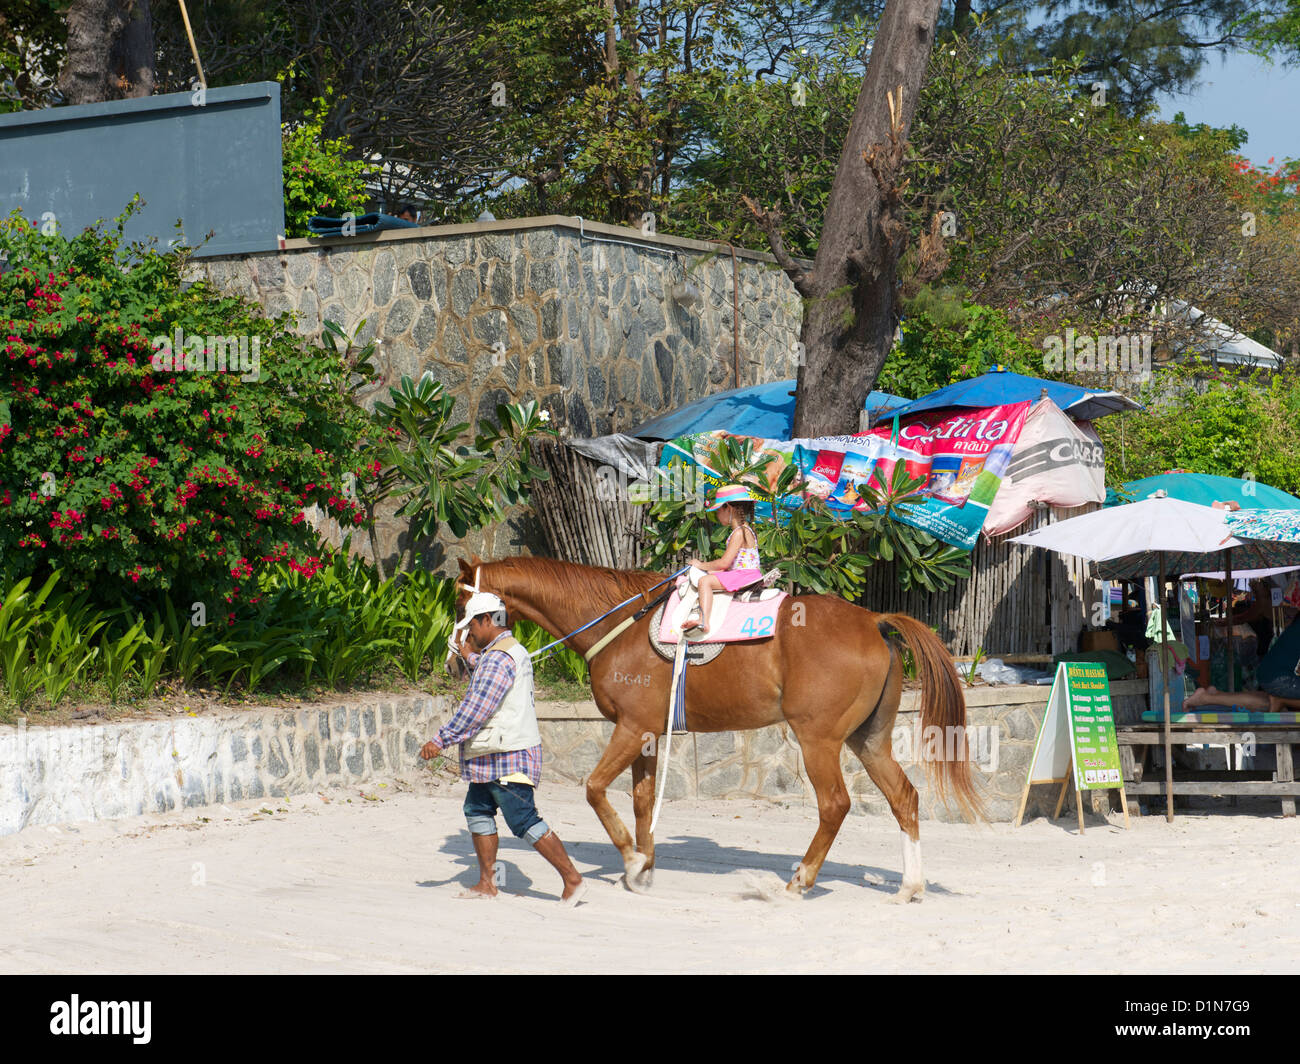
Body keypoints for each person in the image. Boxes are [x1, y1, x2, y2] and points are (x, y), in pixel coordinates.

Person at [420, 590, 585, 904]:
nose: (469, 633)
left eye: (472, 627)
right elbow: (483, 667)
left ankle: (573, 879)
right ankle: (487, 883)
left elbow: (476, 708)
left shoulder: (498, 658)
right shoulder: (507, 650)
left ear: (486, 620)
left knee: (523, 819)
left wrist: (439, 740)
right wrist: (469, 656)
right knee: (477, 810)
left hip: (507, 756)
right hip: (491, 757)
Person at [680, 483, 762, 634]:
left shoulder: (739, 533)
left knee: (704, 581)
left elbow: (724, 563)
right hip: (746, 573)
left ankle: (703, 620)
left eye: (718, 510)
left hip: (743, 575)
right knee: (711, 576)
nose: (717, 515)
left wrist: (700, 564)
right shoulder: (746, 530)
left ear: (728, 508)